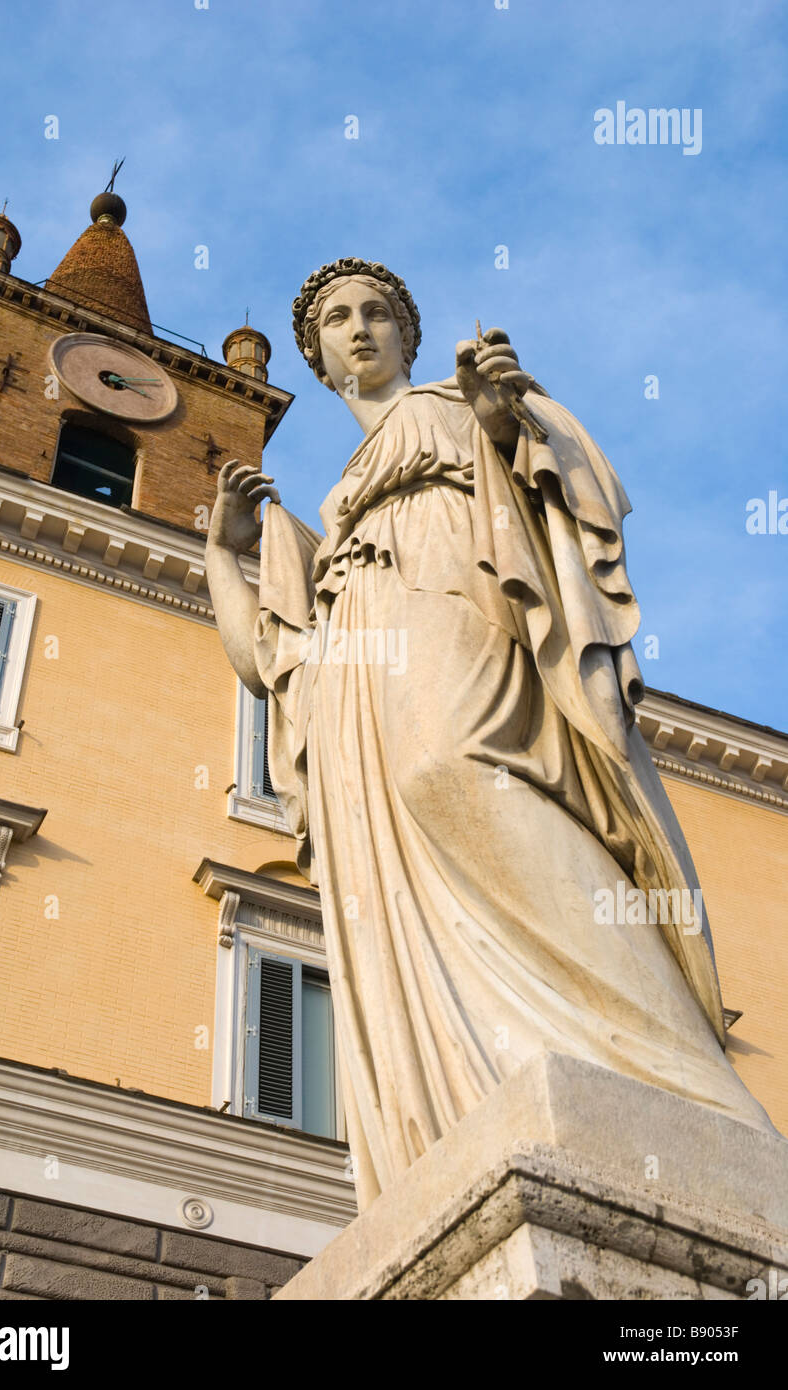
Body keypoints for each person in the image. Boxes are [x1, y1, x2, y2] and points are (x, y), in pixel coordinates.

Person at [206, 257, 776, 1212]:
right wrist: (224, 552)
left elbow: (565, 478)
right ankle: (490, 1086)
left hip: (453, 590)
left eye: (377, 312)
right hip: (356, 662)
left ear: (407, 334)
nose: (359, 328)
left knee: (457, 773)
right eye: (338, 320)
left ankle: (675, 1070)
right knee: (386, 870)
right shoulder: (338, 496)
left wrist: (506, 414)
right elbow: (268, 659)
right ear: (318, 360)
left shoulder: (449, 402)